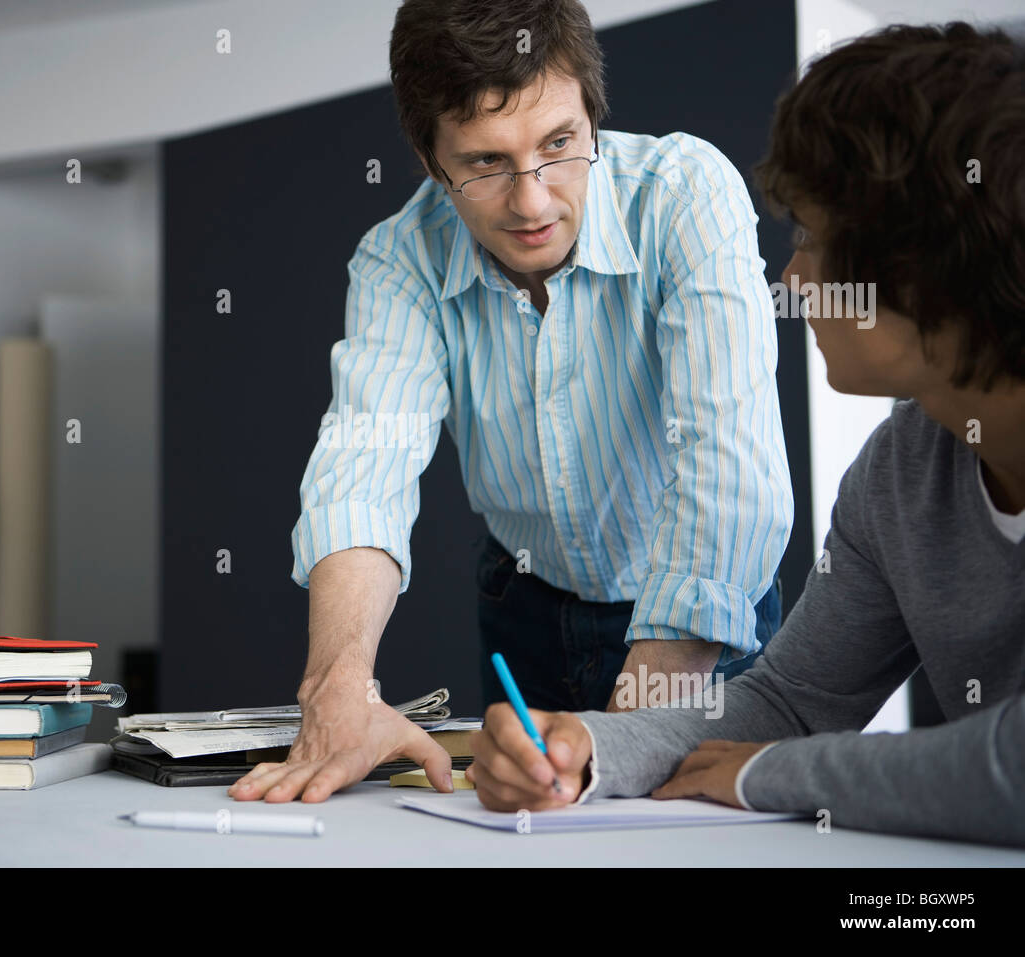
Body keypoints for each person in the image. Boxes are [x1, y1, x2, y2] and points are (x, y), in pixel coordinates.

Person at [467, 21, 1025, 847]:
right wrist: (587, 746)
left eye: (812, 239)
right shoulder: (900, 474)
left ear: (924, 270)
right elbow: (789, 702)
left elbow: (1011, 770)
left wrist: (766, 777)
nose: (792, 280)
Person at [231, 0, 792, 805]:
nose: (532, 203)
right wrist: (337, 689)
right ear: (431, 160)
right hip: (529, 610)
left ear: (594, 117)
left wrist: (624, 738)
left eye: (560, 146)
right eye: (487, 163)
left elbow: (729, 469)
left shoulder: (683, 192)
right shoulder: (399, 259)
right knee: (533, 837)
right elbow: (363, 472)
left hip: (705, 614)